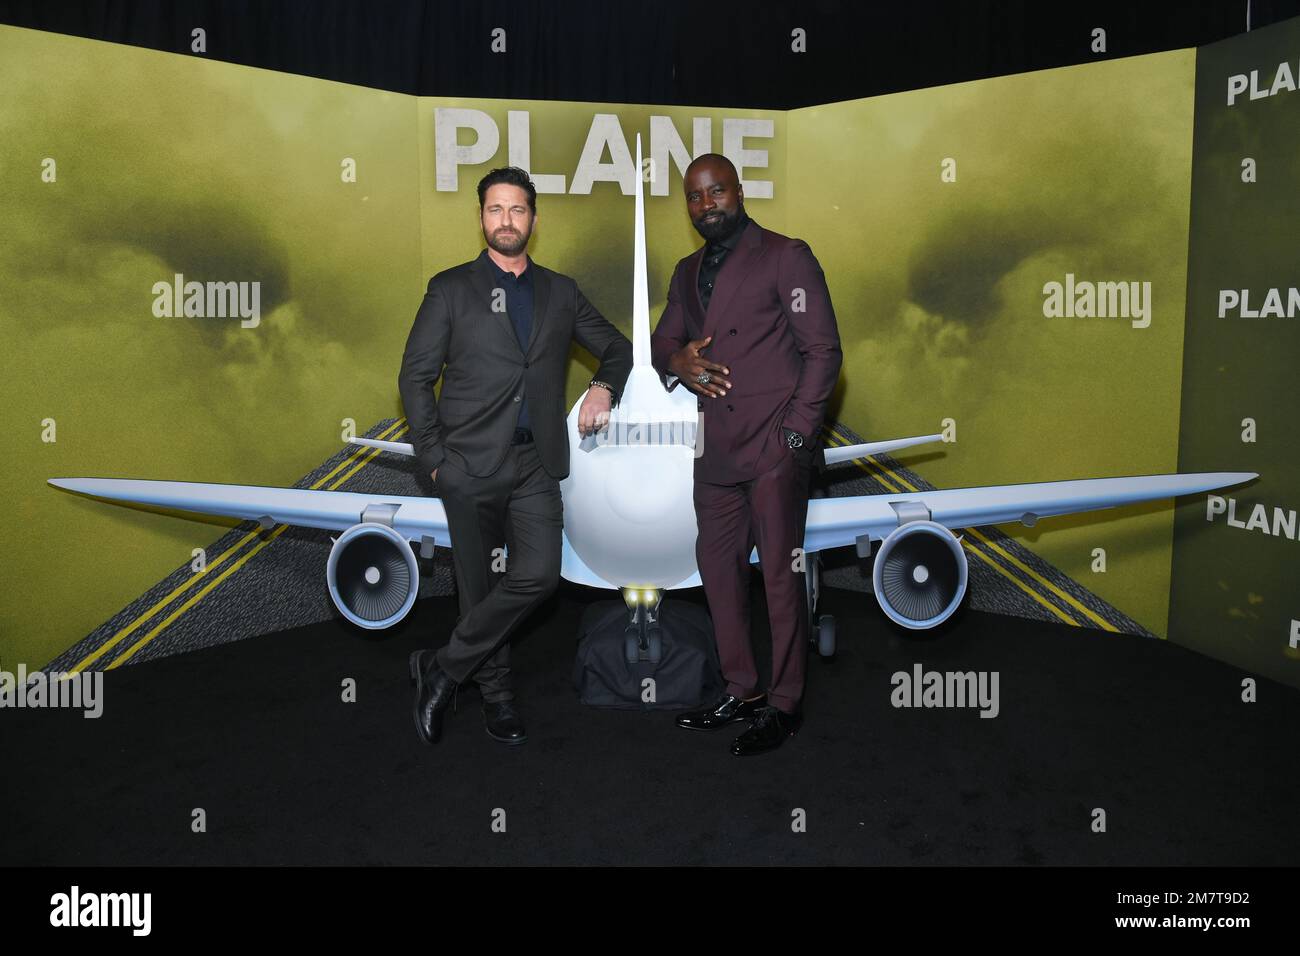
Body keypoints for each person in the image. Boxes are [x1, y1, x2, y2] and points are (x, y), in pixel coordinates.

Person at [399, 166, 633, 746]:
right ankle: (497, 698)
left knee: (537, 577)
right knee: (478, 591)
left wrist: (604, 386)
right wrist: (434, 460)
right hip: (467, 464)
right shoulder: (449, 288)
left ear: (533, 218)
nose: (507, 220)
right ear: (482, 217)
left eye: (518, 209)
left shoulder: (561, 291)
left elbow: (618, 349)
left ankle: (442, 668)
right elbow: (415, 377)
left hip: (537, 464)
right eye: (495, 209)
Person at [650, 153, 841, 756]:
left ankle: (785, 703)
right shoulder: (686, 271)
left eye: (716, 192)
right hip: (715, 455)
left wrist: (795, 436)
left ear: (739, 190)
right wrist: (675, 360)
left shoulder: (787, 255)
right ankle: (743, 688)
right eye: (694, 197)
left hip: (772, 448)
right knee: (719, 573)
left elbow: (824, 352)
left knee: (781, 580)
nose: (706, 204)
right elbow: (662, 340)